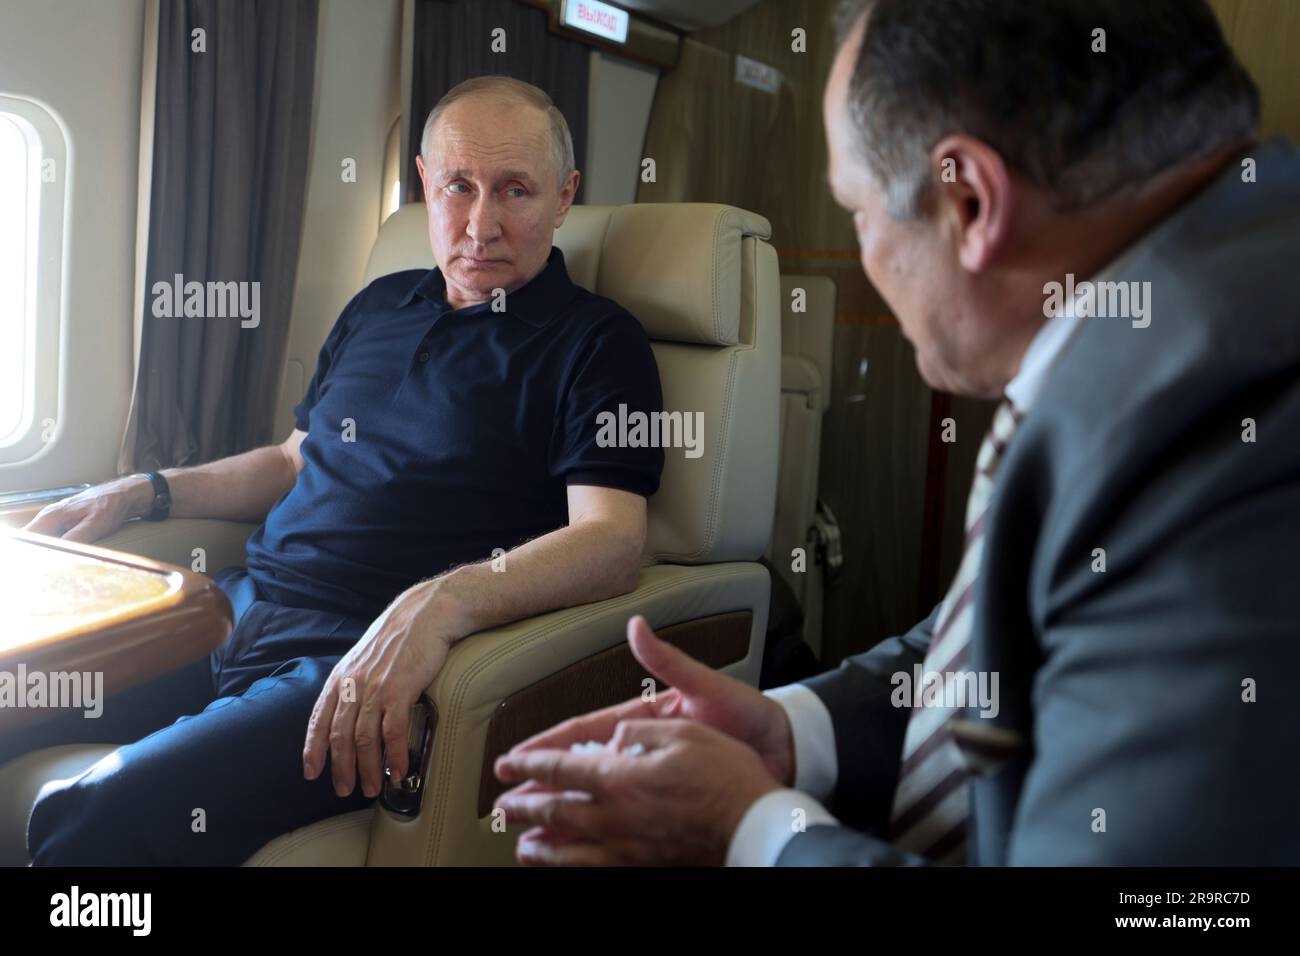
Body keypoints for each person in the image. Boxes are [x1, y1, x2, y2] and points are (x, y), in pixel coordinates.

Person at [493, 0, 1300, 865]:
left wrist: (752, 832)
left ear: (970, 201)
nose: (867, 262)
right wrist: (791, 730)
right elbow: (983, 644)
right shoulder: (1179, 322)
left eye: (860, 213)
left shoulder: (1214, 436)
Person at [9, 76, 664, 865]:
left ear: (564, 198)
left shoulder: (598, 343)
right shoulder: (381, 304)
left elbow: (612, 540)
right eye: (459, 185)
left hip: (353, 660)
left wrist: (440, 602)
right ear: (425, 183)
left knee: (93, 813)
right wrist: (147, 489)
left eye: (515, 190)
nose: (481, 223)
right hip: (234, 607)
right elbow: (295, 460)